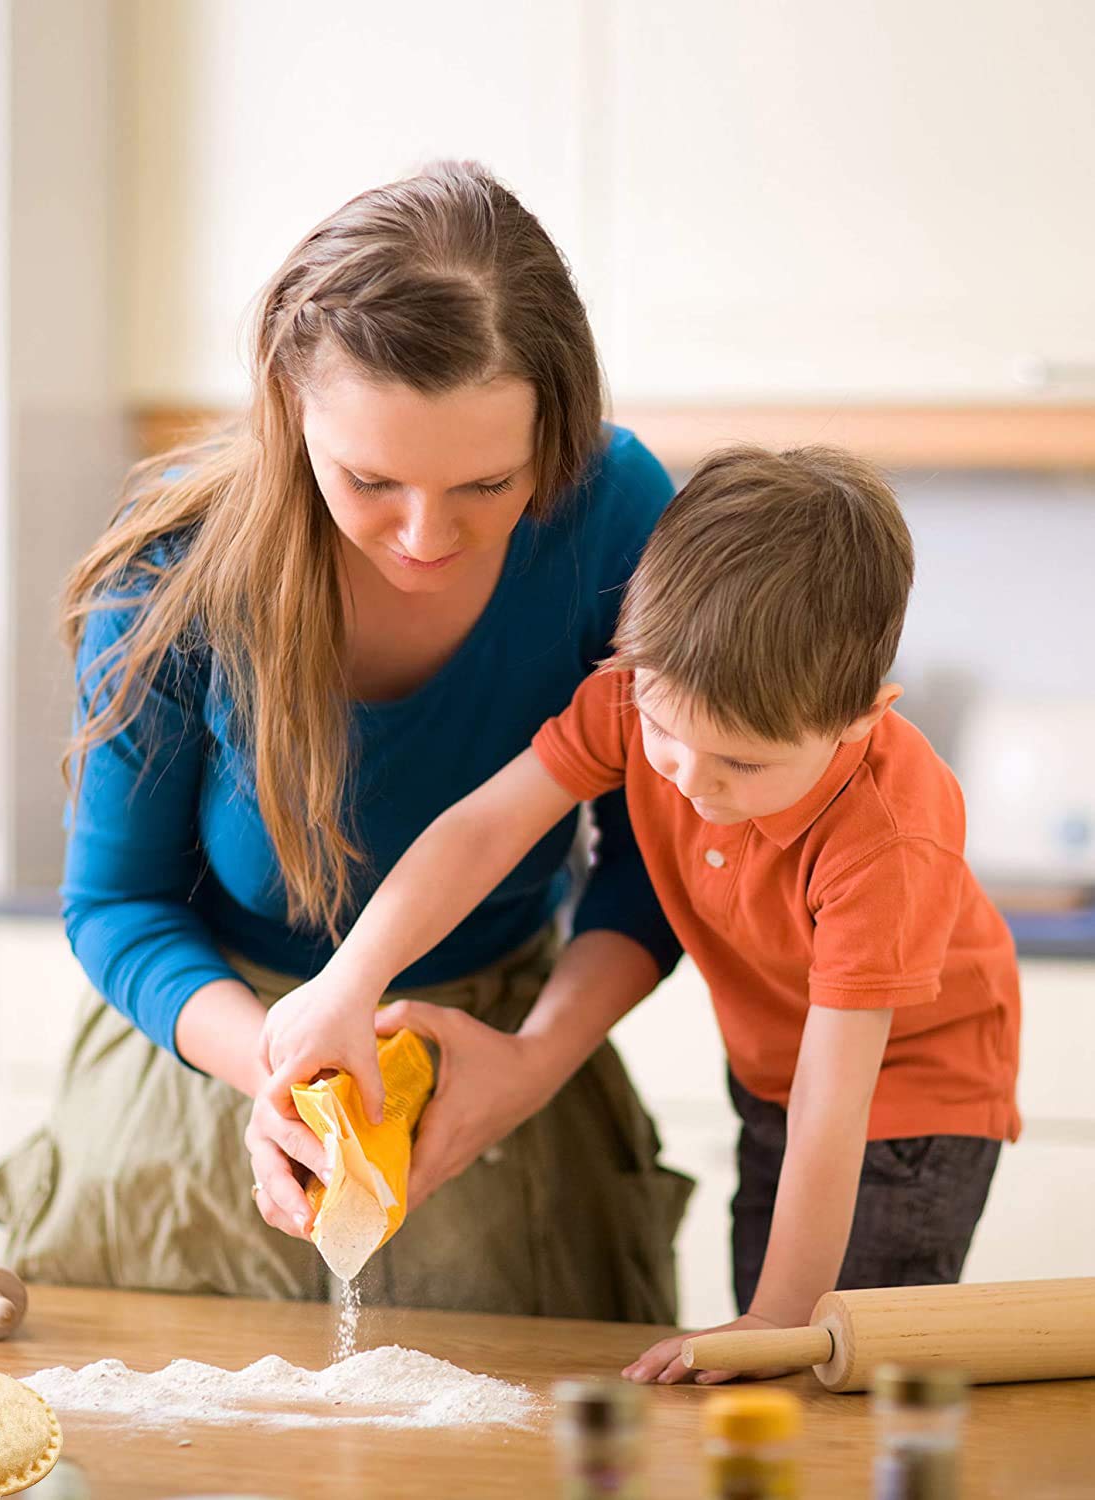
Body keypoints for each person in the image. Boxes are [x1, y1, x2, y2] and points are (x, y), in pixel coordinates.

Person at [0, 160, 693, 1320]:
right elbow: (117, 906)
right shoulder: (174, 568)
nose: (424, 536)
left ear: (555, 436)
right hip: (207, 1083)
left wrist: (532, 1064)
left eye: (486, 484)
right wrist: (276, 1065)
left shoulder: (612, 514)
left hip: (499, 1078)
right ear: (289, 407)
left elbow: (660, 864)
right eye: (369, 479)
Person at [260, 444, 1020, 1373]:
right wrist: (352, 979)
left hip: (908, 1107)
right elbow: (482, 830)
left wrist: (779, 1316)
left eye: (743, 763)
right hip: (777, 1082)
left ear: (861, 718)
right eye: (662, 732)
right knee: (770, 1353)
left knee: (832, 1363)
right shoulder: (637, 692)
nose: (692, 781)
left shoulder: (888, 838)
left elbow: (838, 1094)